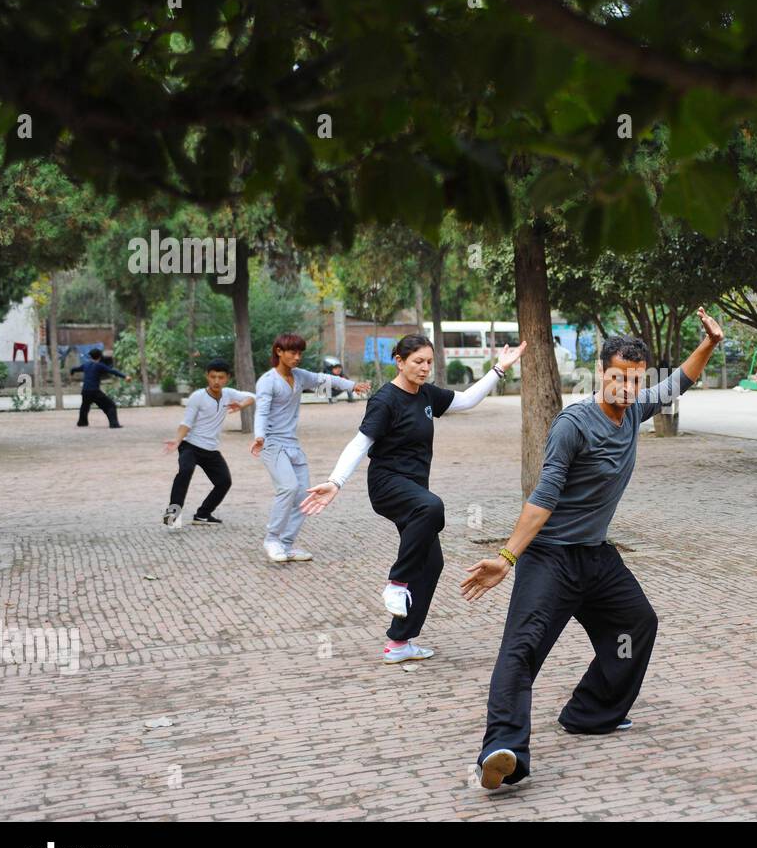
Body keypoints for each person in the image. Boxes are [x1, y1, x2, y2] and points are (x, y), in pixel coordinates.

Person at [463, 310, 724, 791]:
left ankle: (589, 712)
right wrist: (506, 557)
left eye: (635, 379)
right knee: (521, 650)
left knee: (636, 624)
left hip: (596, 558)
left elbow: (679, 383)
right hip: (549, 558)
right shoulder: (574, 425)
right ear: (601, 373)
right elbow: (543, 497)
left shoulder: (634, 411)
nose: (625, 386)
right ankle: (502, 750)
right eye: (617, 377)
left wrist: (709, 343)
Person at [302, 335, 526, 663]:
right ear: (400, 361)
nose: (424, 368)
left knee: (432, 563)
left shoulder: (426, 395)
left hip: (415, 491)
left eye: (429, 362)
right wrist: (335, 481)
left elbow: (466, 400)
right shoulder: (385, 400)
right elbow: (360, 443)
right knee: (432, 507)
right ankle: (397, 583)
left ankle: (399, 642)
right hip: (388, 485)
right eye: (418, 361)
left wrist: (499, 369)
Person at [253, 333, 371, 564]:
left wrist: (353, 385)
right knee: (288, 487)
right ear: (279, 352)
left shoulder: (299, 376)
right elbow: (262, 411)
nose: (297, 357)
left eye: (300, 353)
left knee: (305, 495)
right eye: (292, 352)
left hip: (292, 444)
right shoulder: (267, 380)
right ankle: (272, 539)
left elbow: (324, 379)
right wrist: (259, 436)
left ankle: (286, 544)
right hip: (271, 443)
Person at [163, 359, 255, 527]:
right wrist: (177, 440)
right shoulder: (197, 397)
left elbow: (253, 397)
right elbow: (186, 422)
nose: (216, 381)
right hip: (190, 446)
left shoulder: (228, 394)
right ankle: (171, 517)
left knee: (224, 482)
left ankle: (202, 515)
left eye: (221, 377)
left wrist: (241, 405)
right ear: (207, 376)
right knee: (184, 472)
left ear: (227, 378)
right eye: (213, 377)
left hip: (210, 450)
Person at [70, 349, 130, 428]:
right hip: (94, 391)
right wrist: (125, 376)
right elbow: (112, 371)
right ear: (100, 356)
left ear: (91, 356)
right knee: (110, 405)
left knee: (85, 406)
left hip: (85, 391)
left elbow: (74, 369)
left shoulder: (86, 365)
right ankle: (114, 424)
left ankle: (82, 422)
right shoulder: (99, 365)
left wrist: (71, 373)